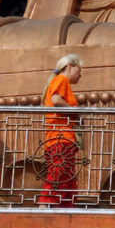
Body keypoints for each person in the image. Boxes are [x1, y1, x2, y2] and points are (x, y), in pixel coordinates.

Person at [38, 53, 83, 207]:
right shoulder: (62, 79)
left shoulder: (57, 81)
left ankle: (66, 210)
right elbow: (57, 100)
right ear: (69, 67)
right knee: (59, 174)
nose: (80, 75)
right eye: (79, 70)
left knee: (67, 178)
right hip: (61, 137)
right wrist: (75, 112)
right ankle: (44, 205)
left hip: (58, 138)